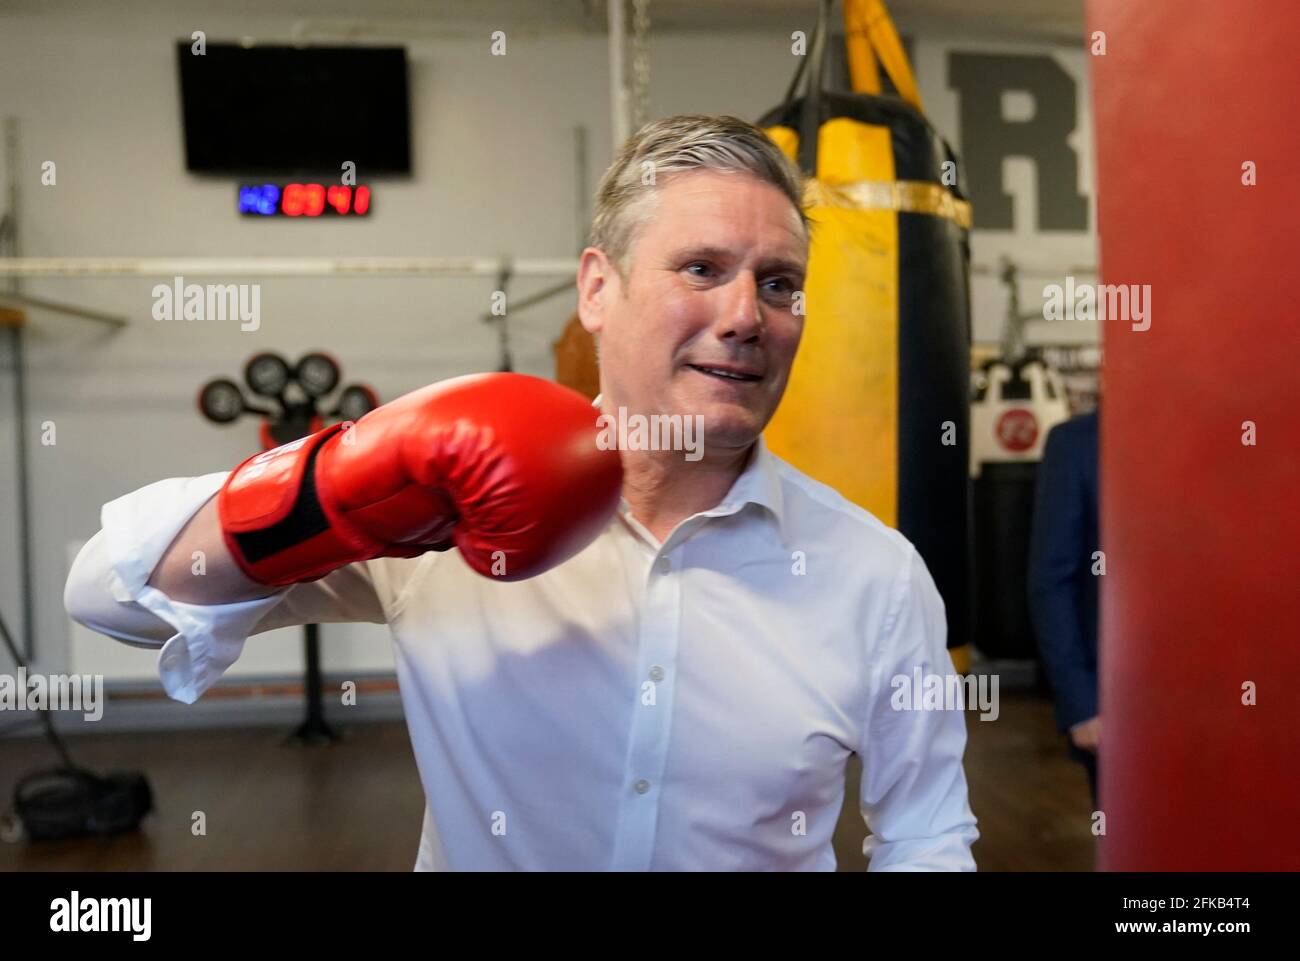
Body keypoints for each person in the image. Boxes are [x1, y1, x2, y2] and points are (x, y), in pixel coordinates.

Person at [65, 114, 978, 871]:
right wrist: (347, 478)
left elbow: (926, 834)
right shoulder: (443, 523)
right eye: (701, 269)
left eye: (778, 284)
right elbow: (107, 591)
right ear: (596, 289)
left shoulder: (873, 574)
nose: (745, 316)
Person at [1027, 409, 1101, 808]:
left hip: (1221, 707)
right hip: (1116, 711)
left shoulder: (1222, 432)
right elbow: (1051, 582)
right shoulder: (1076, 444)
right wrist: (1081, 705)